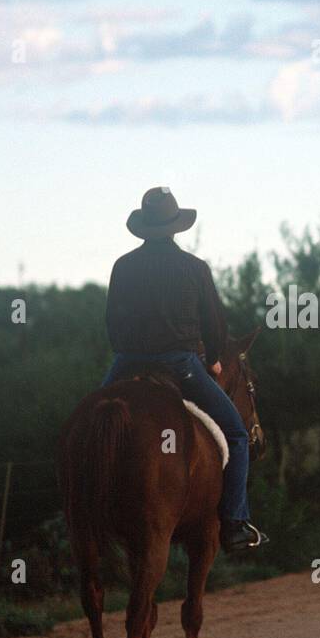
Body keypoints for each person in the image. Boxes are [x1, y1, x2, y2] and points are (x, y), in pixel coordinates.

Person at [100, 187, 267, 553]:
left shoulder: (123, 266)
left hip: (127, 362)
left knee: (92, 423)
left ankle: (81, 514)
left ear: (143, 227)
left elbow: (113, 323)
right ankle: (235, 524)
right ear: (176, 227)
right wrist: (213, 359)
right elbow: (215, 326)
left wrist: (129, 351)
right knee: (237, 435)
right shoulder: (194, 268)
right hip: (181, 364)